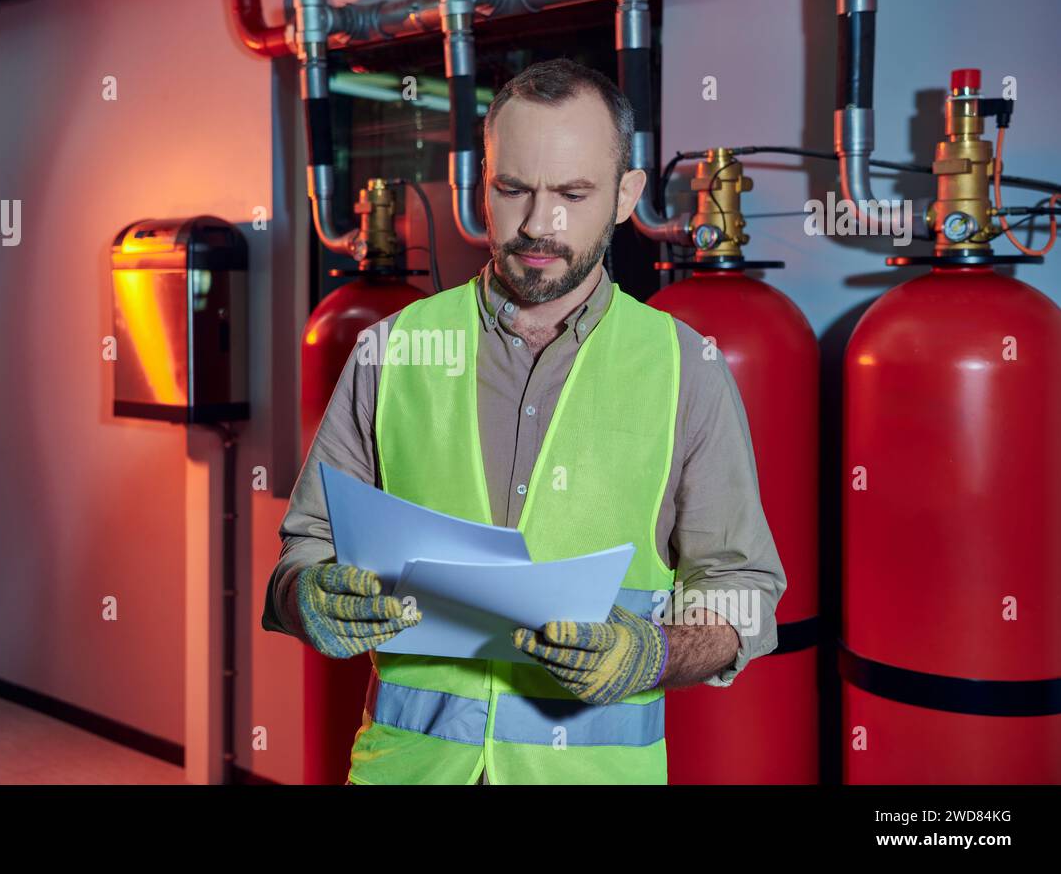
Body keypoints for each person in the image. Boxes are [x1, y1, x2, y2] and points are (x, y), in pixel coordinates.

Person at [262, 57, 787, 785]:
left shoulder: (684, 369)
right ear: (482, 184)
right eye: (514, 189)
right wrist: (309, 600)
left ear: (626, 196)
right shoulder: (396, 349)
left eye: (575, 193)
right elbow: (304, 551)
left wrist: (653, 653)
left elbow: (742, 590)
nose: (541, 224)